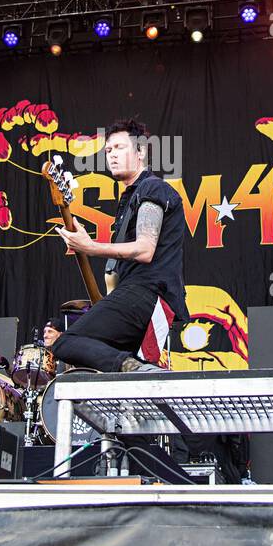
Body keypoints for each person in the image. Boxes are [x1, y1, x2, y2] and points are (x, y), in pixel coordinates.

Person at [50, 118, 187, 373]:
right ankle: (137, 371)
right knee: (121, 372)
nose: (111, 155)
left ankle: (130, 367)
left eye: (119, 148)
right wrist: (84, 244)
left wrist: (90, 247)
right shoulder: (131, 197)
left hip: (146, 293)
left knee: (65, 342)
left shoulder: (151, 187)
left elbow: (145, 249)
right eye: (108, 150)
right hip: (146, 297)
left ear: (140, 151)